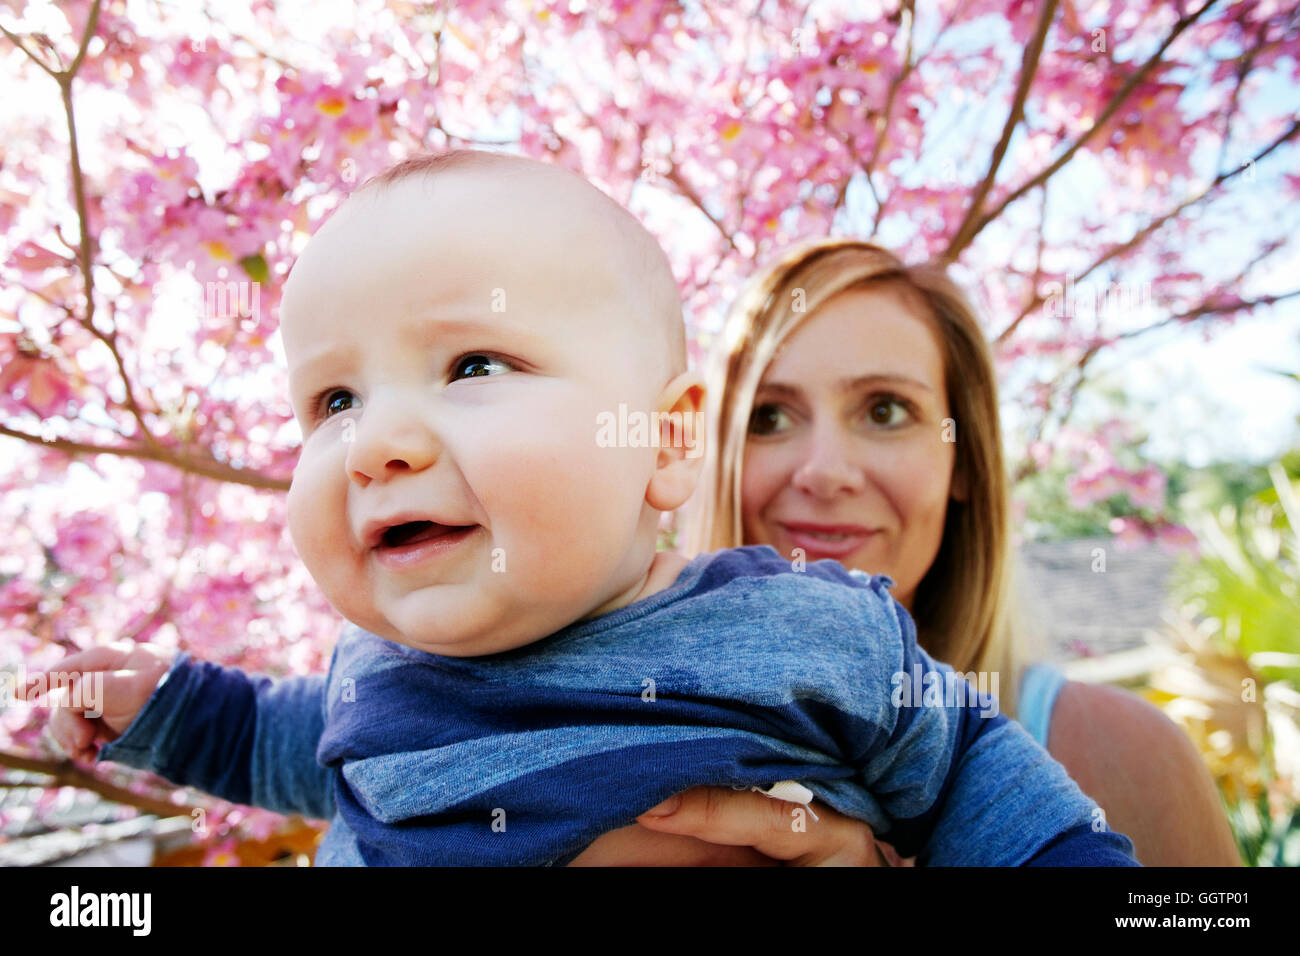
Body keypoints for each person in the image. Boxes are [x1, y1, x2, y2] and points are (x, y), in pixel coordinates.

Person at [21, 151, 1139, 866]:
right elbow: (290, 742)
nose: (375, 443)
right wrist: (165, 702)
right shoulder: (376, 672)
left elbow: (978, 781)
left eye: (471, 365)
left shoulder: (803, 632)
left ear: (661, 440)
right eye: (334, 397)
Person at [590, 239, 1240, 866]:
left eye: (885, 410)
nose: (824, 472)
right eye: (770, 417)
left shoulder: (1120, 755)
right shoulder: (588, 745)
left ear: (963, 461)